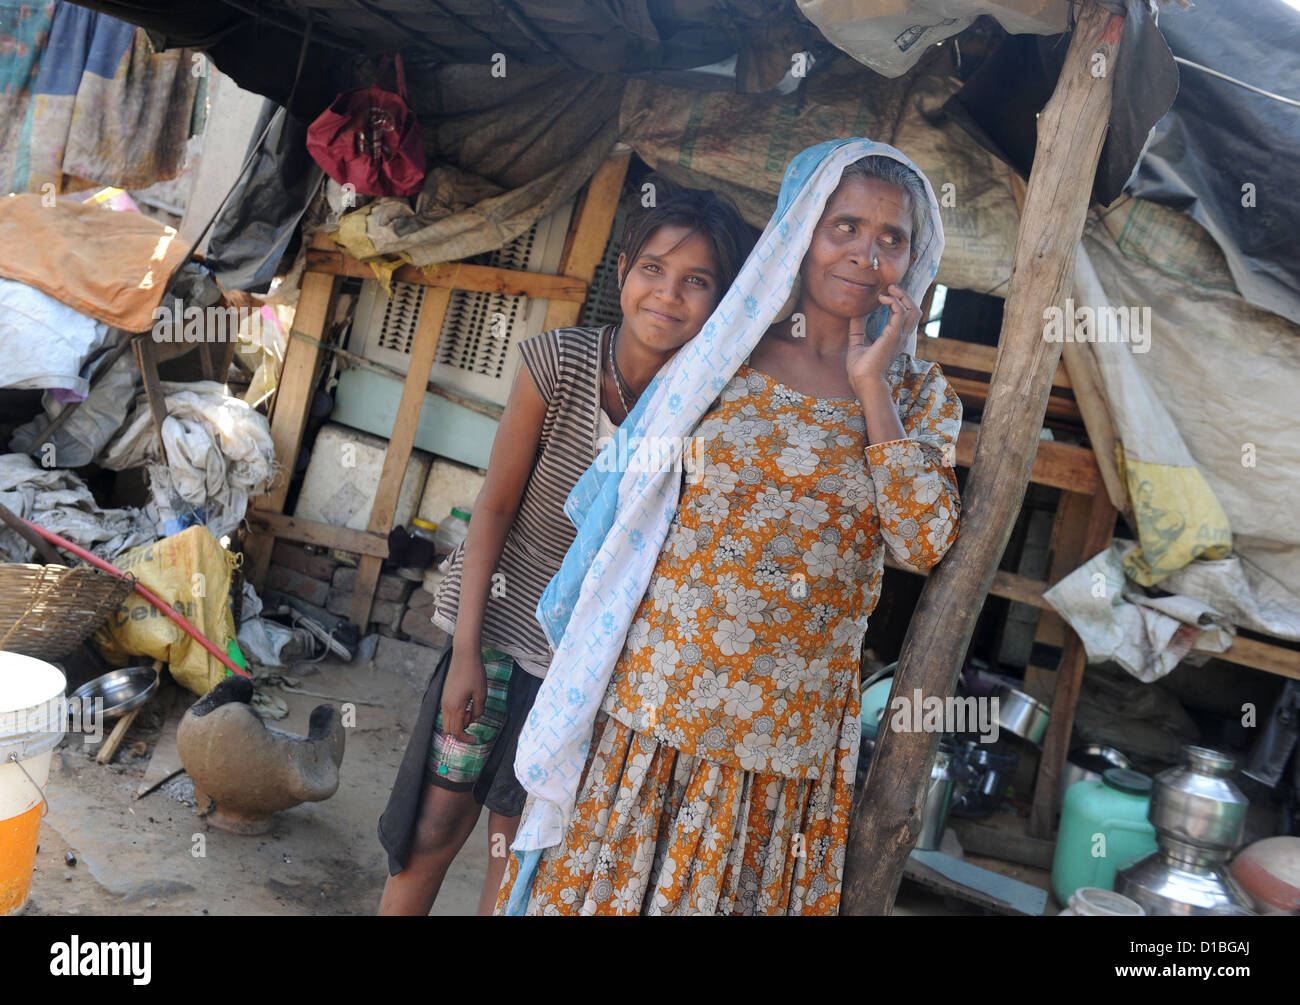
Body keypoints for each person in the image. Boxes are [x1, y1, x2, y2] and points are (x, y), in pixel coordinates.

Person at [498, 139, 961, 915]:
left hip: (785, 736)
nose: (866, 253)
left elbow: (921, 541)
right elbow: (631, 496)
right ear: (801, 233)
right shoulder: (720, 355)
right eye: (844, 226)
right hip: (656, 704)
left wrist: (872, 386)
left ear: (913, 260)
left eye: (892, 238)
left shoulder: (917, 396)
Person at [376, 181, 756, 915]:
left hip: (586, 667)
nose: (668, 295)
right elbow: (493, 507)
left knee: (517, 850)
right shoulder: (557, 363)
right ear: (621, 271)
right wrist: (463, 655)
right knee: (434, 824)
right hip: (496, 629)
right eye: (653, 269)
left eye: (696, 282)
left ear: (721, 300)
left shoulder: (703, 409)